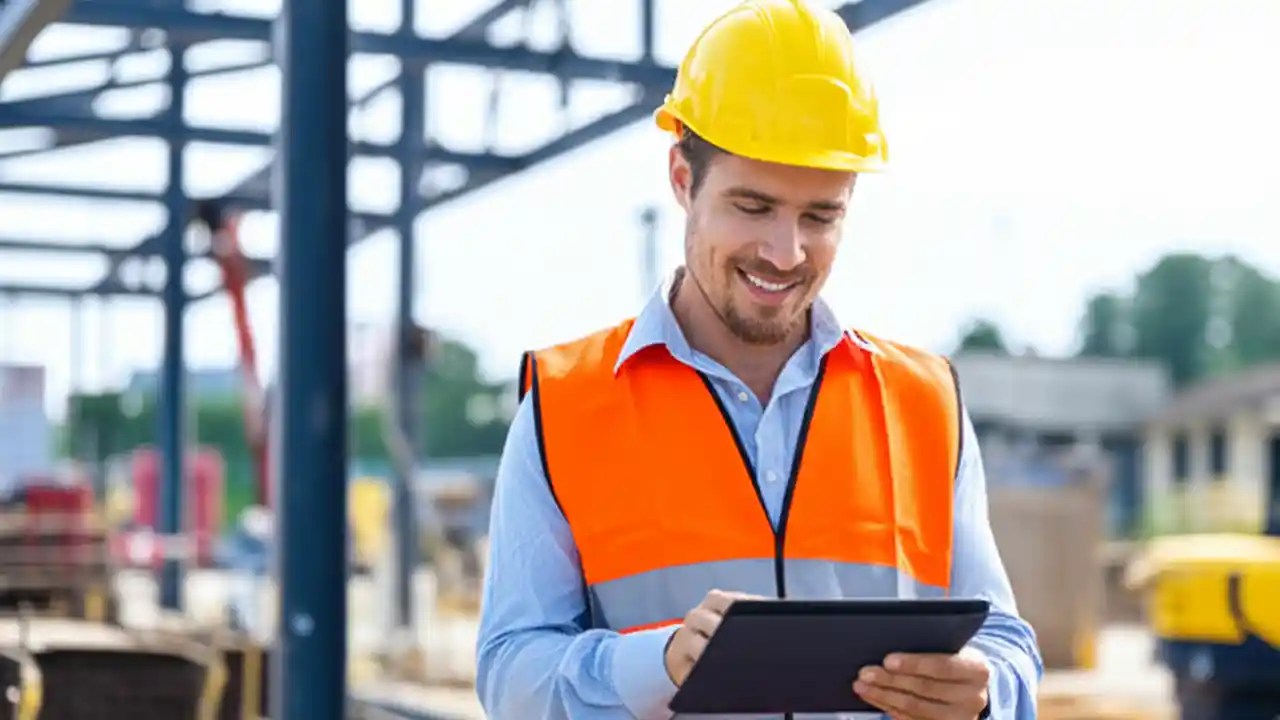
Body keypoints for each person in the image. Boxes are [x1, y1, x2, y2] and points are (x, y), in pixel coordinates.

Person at [475, 1, 1042, 717]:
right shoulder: (564, 406)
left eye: (820, 216)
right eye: (753, 206)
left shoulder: (924, 404)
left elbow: (1007, 643)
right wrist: (656, 661)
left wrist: (986, 689)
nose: (786, 253)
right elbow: (509, 678)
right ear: (682, 179)